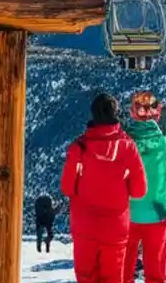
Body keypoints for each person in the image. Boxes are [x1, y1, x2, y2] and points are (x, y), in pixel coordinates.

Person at [62, 93, 148, 283]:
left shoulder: (79, 148)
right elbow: (139, 191)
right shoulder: (127, 147)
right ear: (115, 113)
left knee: (86, 278)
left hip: (85, 227)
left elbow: (67, 188)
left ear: (93, 115)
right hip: (115, 228)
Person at [122, 92, 166, 283]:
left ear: (132, 113)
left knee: (124, 272)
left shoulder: (123, 144)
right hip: (158, 213)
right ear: (158, 113)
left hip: (127, 214)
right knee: (155, 274)